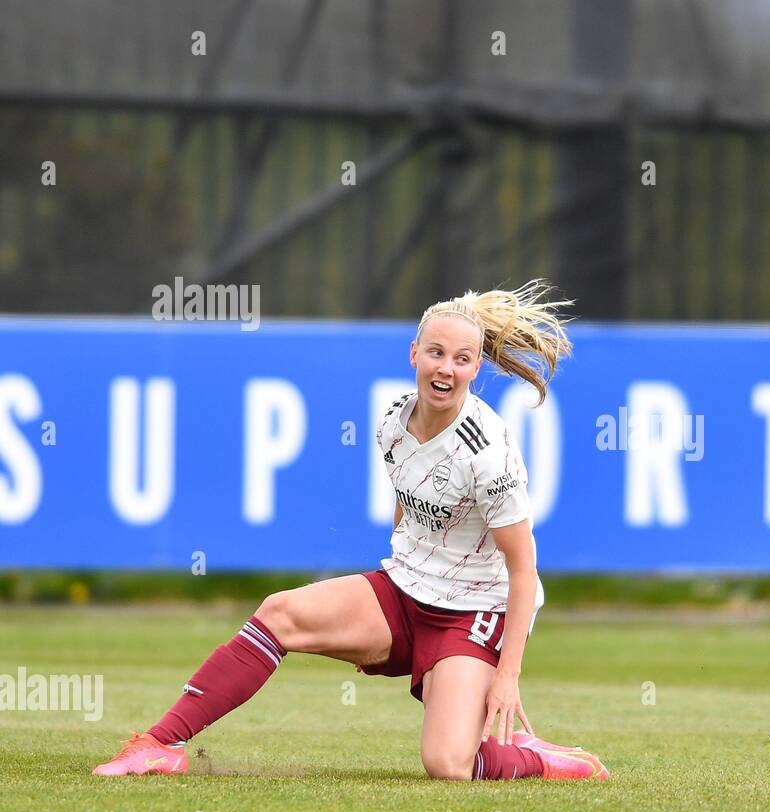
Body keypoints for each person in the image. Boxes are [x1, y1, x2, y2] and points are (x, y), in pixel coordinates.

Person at [93, 280, 609, 782]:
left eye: (461, 359)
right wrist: (384, 605)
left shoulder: (487, 452)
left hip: (475, 612)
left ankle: (535, 758)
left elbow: (523, 569)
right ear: (413, 354)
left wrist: (506, 678)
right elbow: (408, 503)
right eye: (435, 353)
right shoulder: (392, 421)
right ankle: (160, 746)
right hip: (407, 592)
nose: (446, 369)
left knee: (448, 765)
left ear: (476, 367)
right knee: (280, 612)